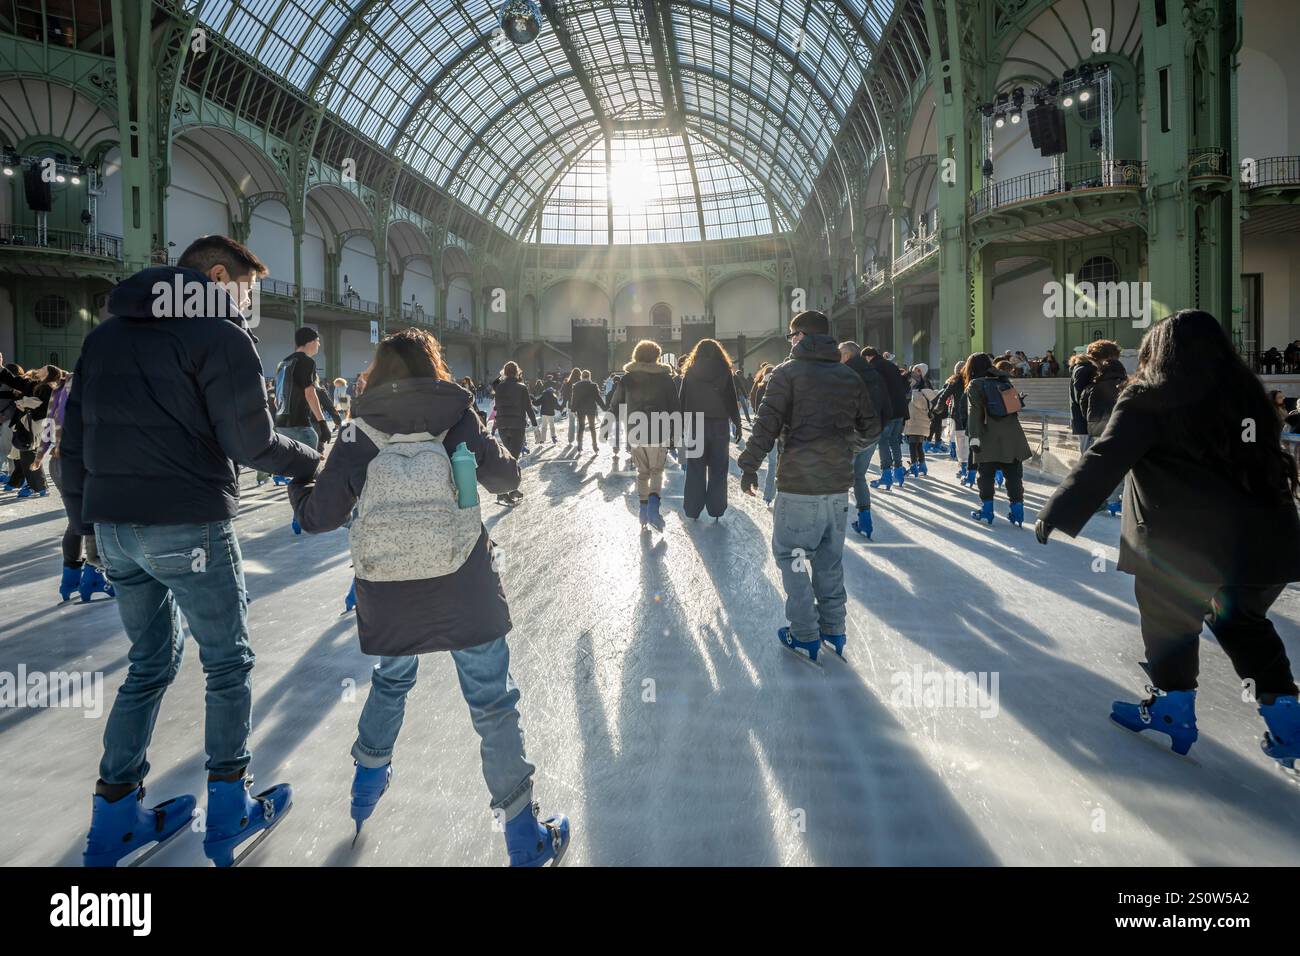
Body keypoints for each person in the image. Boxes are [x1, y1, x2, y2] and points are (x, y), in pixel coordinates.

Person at [66, 234, 320, 867]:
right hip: (188, 524)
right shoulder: (220, 334)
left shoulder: (103, 338)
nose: (248, 306)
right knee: (227, 663)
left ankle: (114, 819)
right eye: (246, 292)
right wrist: (311, 461)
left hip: (116, 529)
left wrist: (86, 528)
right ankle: (228, 811)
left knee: (148, 663)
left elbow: (71, 445)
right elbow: (250, 442)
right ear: (215, 276)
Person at [288, 327, 570, 866]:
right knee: (491, 703)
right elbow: (503, 475)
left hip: (389, 587)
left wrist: (301, 484)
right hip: (464, 579)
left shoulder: (358, 427)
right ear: (432, 366)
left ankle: (366, 786)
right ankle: (522, 837)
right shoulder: (458, 418)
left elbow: (319, 516)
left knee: (391, 681)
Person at [1036, 310, 1300, 768]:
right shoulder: (1248, 396)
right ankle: (1289, 719)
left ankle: (1173, 709)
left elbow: (1108, 454)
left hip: (1183, 544)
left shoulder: (1149, 396)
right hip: (1267, 542)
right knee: (1243, 623)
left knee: (1169, 623)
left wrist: (1059, 510)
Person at [738, 311, 880, 661]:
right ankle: (834, 629)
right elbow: (871, 428)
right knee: (830, 562)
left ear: (800, 336)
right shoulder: (847, 375)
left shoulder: (786, 374)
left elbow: (766, 426)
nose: (790, 343)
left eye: (790, 337)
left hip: (799, 487)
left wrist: (749, 466)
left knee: (794, 558)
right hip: (835, 489)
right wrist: (845, 449)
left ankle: (804, 635)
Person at [608, 340, 679, 530]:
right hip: (660, 430)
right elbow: (675, 408)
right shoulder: (666, 378)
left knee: (642, 472)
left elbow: (615, 405)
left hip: (635, 431)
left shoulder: (628, 378)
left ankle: (643, 510)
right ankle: (654, 508)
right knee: (657, 471)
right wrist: (676, 434)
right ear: (657, 356)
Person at [964, 351, 1032, 526]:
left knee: (986, 475)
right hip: (1012, 435)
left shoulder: (975, 385)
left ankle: (987, 511)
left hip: (988, 435)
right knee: (1014, 475)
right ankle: (1018, 512)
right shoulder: (1003, 380)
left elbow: (975, 414)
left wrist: (974, 439)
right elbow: (1014, 407)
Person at [678, 338, 742, 521]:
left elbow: (681, 400)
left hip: (696, 424)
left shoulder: (690, 372)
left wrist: (678, 426)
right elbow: (731, 399)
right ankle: (716, 509)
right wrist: (736, 423)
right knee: (719, 468)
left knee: (695, 469)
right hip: (720, 424)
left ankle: (693, 509)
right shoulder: (724, 371)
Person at [257, 326, 326, 486]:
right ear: (310, 342)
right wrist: (322, 422)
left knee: (295, 465)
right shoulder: (307, 362)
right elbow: (310, 393)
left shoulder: (283, 363)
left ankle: (271, 474)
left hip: (281, 423)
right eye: (317, 341)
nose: (318, 345)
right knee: (310, 475)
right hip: (299, 424)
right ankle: (306, 507)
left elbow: (276, 398)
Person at [838, 342, 888, 539]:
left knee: (840, 479)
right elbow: (887, 405)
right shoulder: (875, 374)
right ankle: (865, 520)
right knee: (858, 477)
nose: (838, 357)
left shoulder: (844, 375)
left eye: (841, 354)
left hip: (851, 434)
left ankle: (835, 523)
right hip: (872, 434)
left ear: (848, 355)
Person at [1082, 340, 1127, 515]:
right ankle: (1116, 501)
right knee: (1121, 469)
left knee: (1100, 470)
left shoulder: (1093, 387)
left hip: (1100, 432)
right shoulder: (1127, 386)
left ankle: (1103, 500)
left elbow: (1088, 411)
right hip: (1122, 432)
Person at [490, 361, 535, 504]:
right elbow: (528, 407)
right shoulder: (521, 387)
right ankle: (503, 492)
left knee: (509, 457)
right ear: (517, 372)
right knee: (512, 459)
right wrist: (535, 424)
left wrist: (503, 376)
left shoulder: (499, 387)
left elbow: (495, 383)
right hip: (516, 425)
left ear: (504, 372)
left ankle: (511, 489)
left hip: (503, 425)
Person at [863, 346, 907, 489]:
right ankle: (899, 472)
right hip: (900, 410)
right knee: (894, 441)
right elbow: (904, 386)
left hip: (888, 411)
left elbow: (877, 391)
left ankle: (886, 475)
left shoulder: (875, 367)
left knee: (883, 441)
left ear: (868, 357)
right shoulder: (892, 366)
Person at [749, 363, 779, 505]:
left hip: (763, 426)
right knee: (778, 463)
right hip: (778, 430)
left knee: (772, 463)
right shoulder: (781, 387)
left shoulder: (760, 386)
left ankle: (767, 496)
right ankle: (773, 494)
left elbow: (753, 401)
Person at [902, 369, 938, 477]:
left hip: (914, 423)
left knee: (913, 446)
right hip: (923, 424)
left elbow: (911, 406)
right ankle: (922, 466)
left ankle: (914, 466)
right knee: (919, 446)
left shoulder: (913, 394)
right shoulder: (926, 391)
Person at [569, 369, 606, 454]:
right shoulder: (593, 385)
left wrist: (573, 409)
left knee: (581, 427)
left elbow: (574, 399)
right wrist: (604, 408)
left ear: (581, 376)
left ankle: (579, 446)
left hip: (580, 409)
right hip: (591, 409)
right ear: (589, 376)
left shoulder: (576, 385)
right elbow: (598, 398)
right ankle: (595, 446)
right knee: (592, 427)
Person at [1068, 351, 1097, 454]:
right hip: (1086, 416)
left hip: (1080, 416)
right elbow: (1079, 397)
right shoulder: (1083, 370)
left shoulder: (1077, 370)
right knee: (1089, 450)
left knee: (1085, 448)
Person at [559, 367, 581, 444]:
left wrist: (563, 406)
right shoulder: (581, 383)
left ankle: (570, 439)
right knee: (579, 422)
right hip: (579, 406)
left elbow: (565, 396)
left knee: (571, 422)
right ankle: (579, 439)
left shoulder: (567, 383)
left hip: (571, 405)